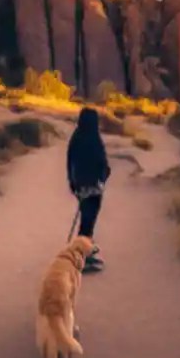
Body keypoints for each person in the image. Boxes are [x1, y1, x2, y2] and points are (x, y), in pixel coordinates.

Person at [67, 107, 110, 272]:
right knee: (88, 222)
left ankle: (84, 252)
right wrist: (104, 176)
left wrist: (73, 184)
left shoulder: (76, 137)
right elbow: (102, 162)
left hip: (81, 186)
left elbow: (70, 162)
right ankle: (81, 255)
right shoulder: (93, 138)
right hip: (93, 186)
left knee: (87, 220)